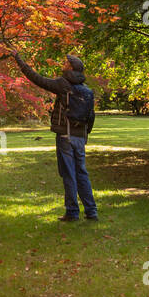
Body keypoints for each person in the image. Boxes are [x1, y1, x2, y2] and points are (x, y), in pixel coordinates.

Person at [12, 51, 98, 222]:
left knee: (69, 173)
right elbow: (91, 116)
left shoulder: (63, 84)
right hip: (80, 136)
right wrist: (84, 134)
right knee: (81, 173)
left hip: (65, 135)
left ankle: (72, 212)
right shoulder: (87, 91)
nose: (63, 65)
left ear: (71, 67)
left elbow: (37, 79)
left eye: (66, 63)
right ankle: (91, 211)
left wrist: (19, 60)